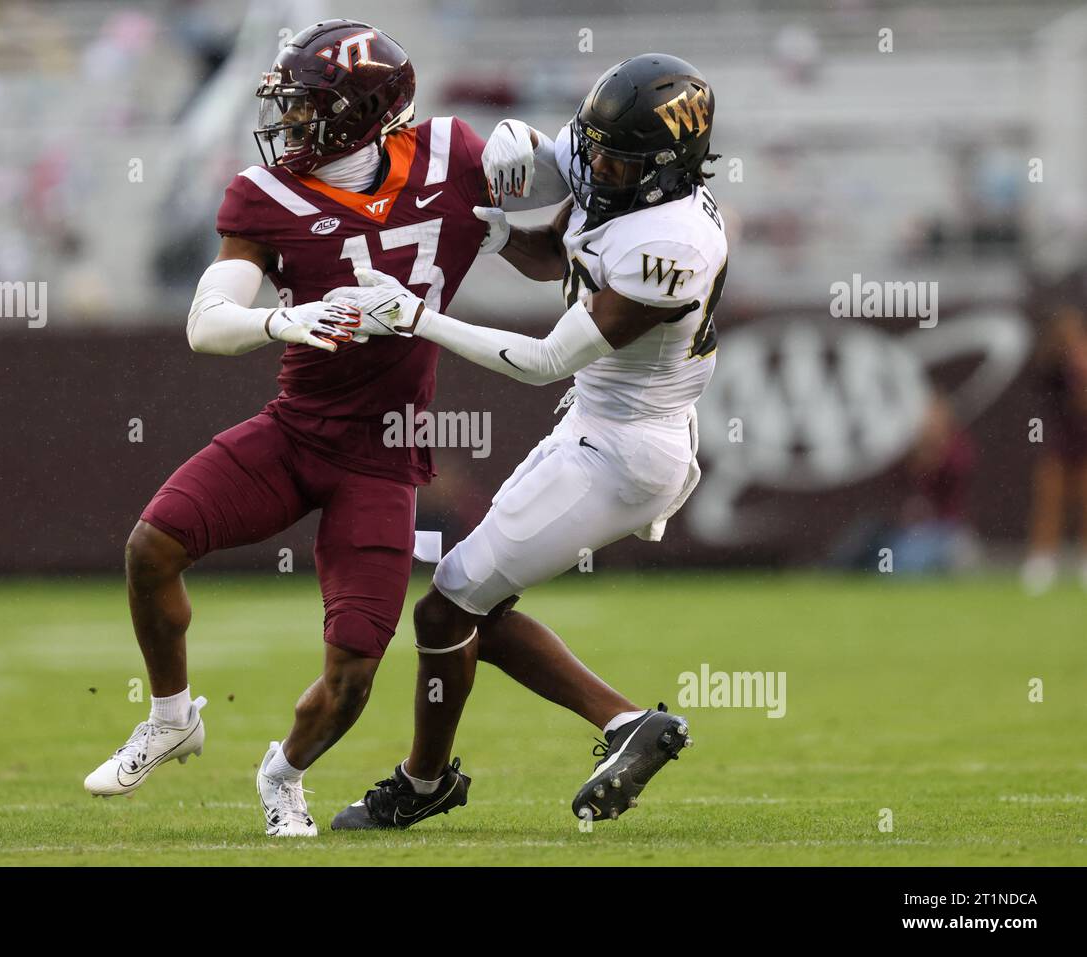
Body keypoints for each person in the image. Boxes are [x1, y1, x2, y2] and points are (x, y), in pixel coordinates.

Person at [83, 19, 611, 838]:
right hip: (295, 433)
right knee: (151, 546)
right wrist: (282, 325)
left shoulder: (454, 157)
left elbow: (551, 260)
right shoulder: (265, 195)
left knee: (355, 672)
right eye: (287, 108)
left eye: (307, 110)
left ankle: (281, 774)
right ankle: (170, 714)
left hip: (383, 457)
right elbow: (206, 319)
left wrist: (544, 177)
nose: (288, 126)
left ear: (360, 112)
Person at [327, 54, 721, 828]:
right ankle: (619, 723)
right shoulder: (625, 181)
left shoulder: (672, 245)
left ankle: (426, 780)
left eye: (616, 158)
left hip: (625, 448)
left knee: (447, 608)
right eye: (594, 145)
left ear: (664, 169)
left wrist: (414, 315)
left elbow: (544, 360)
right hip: (599, 427)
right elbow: (559, 254)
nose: (594, 165)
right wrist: (492, 225)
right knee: (466, 605)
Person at [1022, 304, 1087, 593]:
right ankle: (1042, 562)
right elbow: (1040, 377)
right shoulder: (1052, 369)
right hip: (1058, 447)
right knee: (1049, 503)